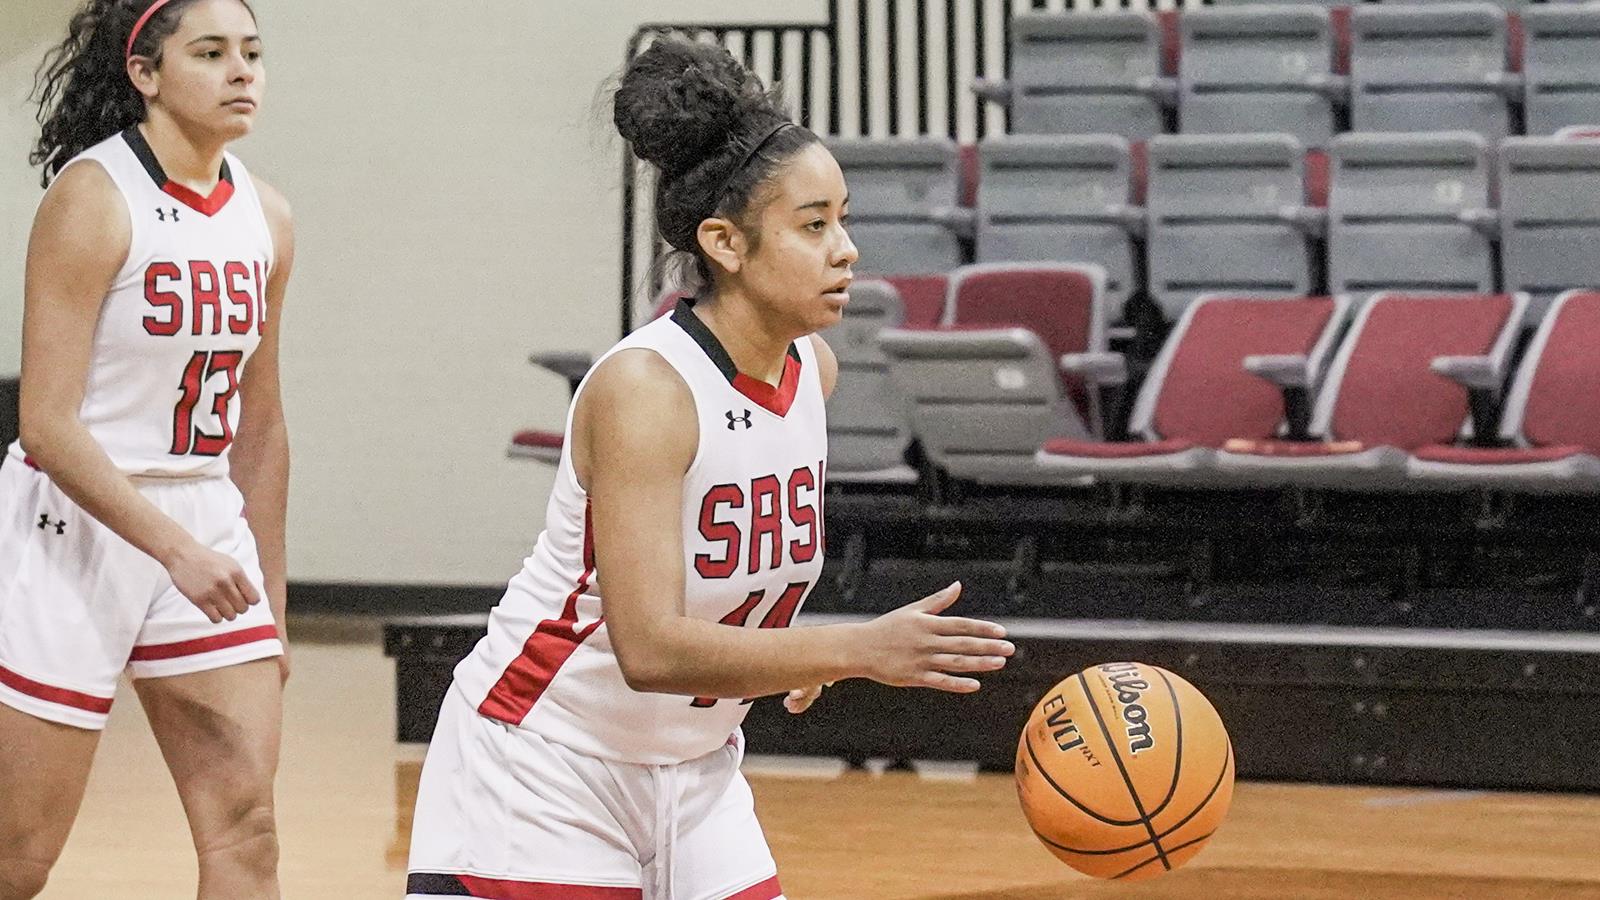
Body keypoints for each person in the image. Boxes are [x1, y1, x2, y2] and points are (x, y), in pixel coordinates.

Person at [405, 36, 1014, 900]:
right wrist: (850, 649)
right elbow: (650, 647)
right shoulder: (647, 391)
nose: (846, 249)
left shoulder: (813, 371)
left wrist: (797, 658)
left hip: (697, 770)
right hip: (543, 763)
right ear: (725, 243)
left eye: (843, 219)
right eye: (814, 226)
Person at [0, 1, 293, 897]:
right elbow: (47, 425)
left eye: (252, 53)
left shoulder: (268, 216)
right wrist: (175, 551)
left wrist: (272, 603)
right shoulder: (92, 197)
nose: (241, 71)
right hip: (72, 521)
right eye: (210, 53)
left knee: (246, 832)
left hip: (203, 515)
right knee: (19, 855)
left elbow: (262, 424)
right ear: (145, 74)